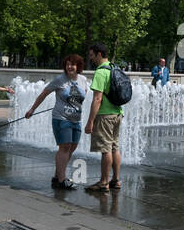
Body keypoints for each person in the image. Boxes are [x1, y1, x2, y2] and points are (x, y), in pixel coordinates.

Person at [26, 54, 89, 189]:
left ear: (78, 66)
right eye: (67, 64)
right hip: (61, 119)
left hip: (76, 120)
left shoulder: (83, 80)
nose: (69, 67)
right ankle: (62, 179)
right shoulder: (60, 80)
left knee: (72, 148)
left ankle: (56, 176)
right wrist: (32, 109)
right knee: (65, 147)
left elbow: (83, 95)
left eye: (72, 64)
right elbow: (43, 94)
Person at [84, 42, 124, 192]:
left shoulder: (100, 72)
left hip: (105, 115)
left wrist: (90, 122)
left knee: (105, 149)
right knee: (115, 147)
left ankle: (103, 182)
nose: (91, 58)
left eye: (92, 55)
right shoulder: (114, 68)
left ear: (99, 54)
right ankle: (116, 180)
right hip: (118, 113)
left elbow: (97, 99)